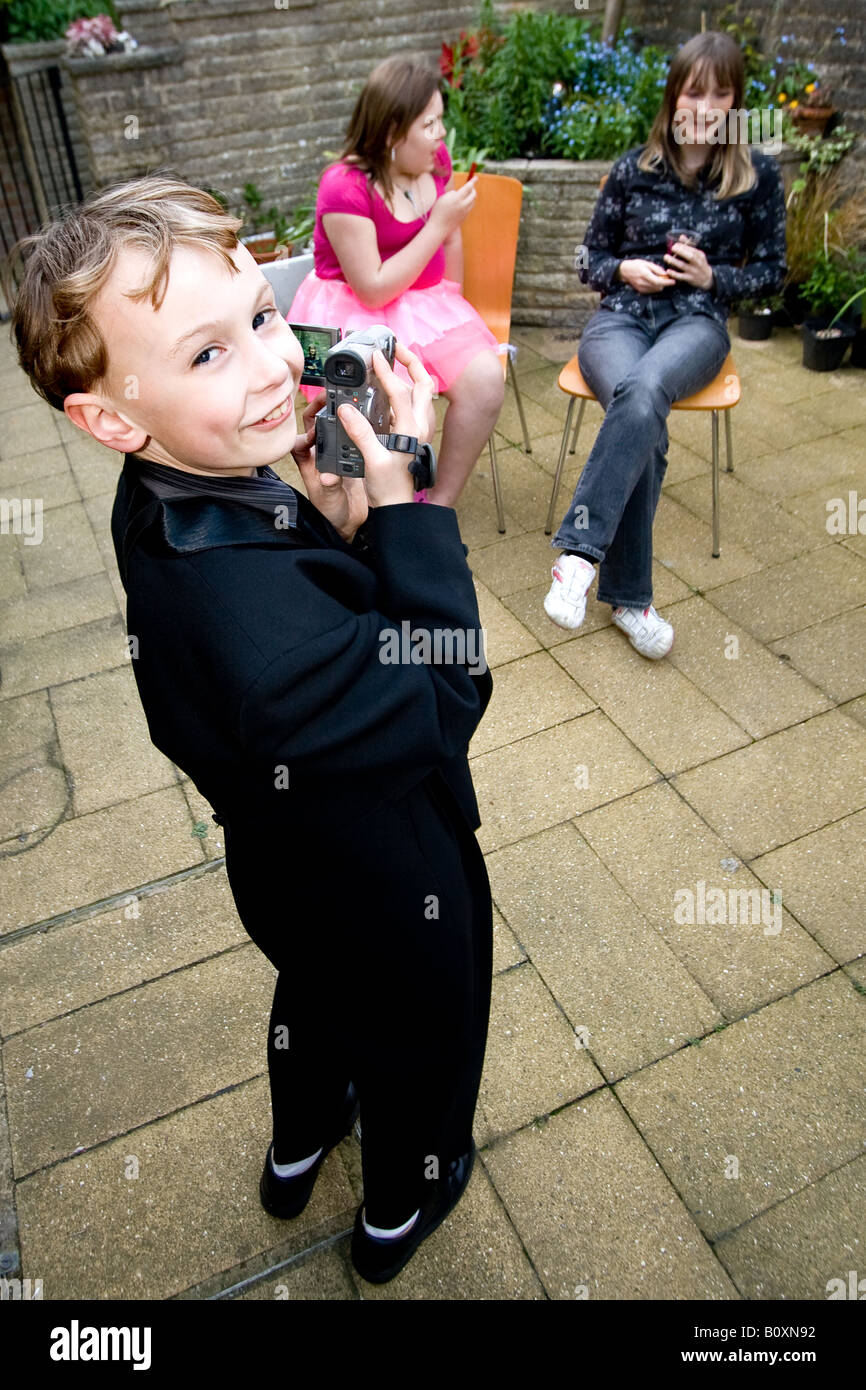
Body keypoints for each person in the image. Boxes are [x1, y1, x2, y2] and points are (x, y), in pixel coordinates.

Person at [11, 174, 494, 1286]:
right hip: (385, 871)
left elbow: (283, 601)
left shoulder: (167, 494)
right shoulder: (269, 652)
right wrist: (409, 517)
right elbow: (442, 694)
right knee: (418, 1028)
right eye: (205, 355)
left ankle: (294, 1149)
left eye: (262, 315)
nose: (279, 363)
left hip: (284, 869)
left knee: (317, 998)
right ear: (111, 417)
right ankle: (396, 1208)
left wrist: (334, 533)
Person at [544, 30, 786, 657]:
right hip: (620, 317)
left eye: (721, 93)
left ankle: (578, 553)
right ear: (674, 97)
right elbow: (587, 258)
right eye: (693, 91)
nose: (704, 106)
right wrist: (624, 269)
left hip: (695, 323)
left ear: (736, 104)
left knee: (646, 387)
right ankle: (630, 599)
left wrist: (716, 277)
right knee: (641, 411)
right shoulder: (633, 169)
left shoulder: (757, 178)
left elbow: (774, 274)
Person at [289, 53, 505, 507]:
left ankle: (439, 503)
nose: (441, 135)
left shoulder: (435, 161)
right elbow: (371, 286)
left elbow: (451, 246)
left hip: (423, 303)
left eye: (440, 120)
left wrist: (454, 307)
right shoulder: (344, 186)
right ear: (390, 132)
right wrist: (439, 223)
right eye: (430, 124)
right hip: (352, 308)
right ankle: (371, 506)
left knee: (485, 377)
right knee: (379, 403)